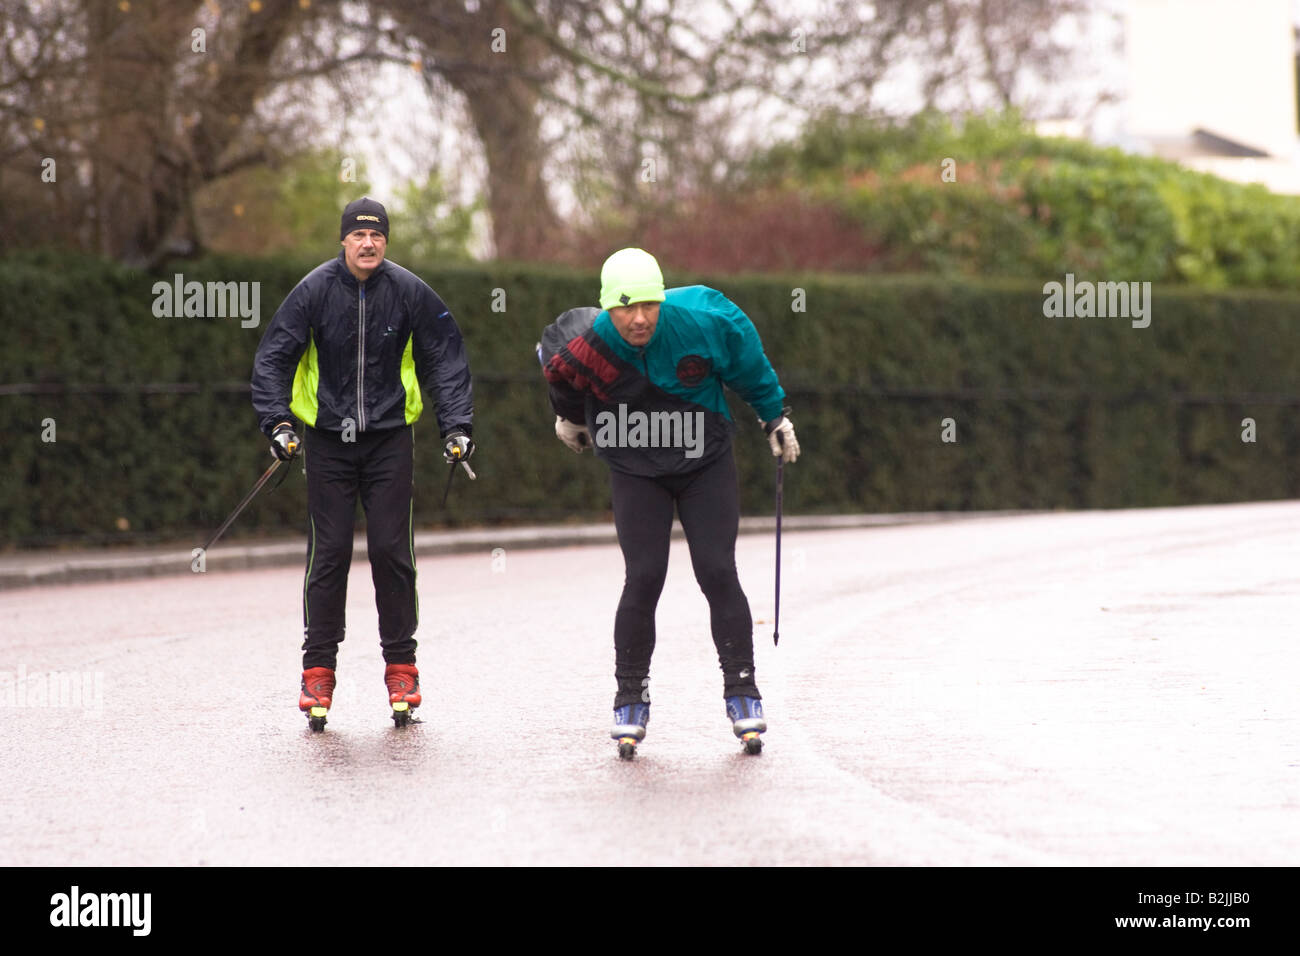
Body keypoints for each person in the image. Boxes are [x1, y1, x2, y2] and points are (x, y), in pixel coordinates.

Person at [539, 248, 799, 758]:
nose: (639, 318)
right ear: (607, 309)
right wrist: (569, 418)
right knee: (644, 575)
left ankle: (742, 691)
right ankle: (629, 697)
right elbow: (560, 378)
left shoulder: (706, 317)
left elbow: (748, 363)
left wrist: (773, 416)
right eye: (626, 307)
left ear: (662, 299)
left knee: (717, 570)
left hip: (705, 461)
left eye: (649, 305)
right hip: (636, 466)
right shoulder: (589, 344)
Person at [251, 197, 474, 730]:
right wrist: (278, 425)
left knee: (391, 551)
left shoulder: (410, 292)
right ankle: (317, 671)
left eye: (377, 236)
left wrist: (457, 427)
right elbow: (273, 359)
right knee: (327, 555)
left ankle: (402, 667)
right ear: (344, 240)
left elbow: (445, 356)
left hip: (389, 439)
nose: (368, 243)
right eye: (358, 235)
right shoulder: (312, 290)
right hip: (327, 441)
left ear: (386, 242)